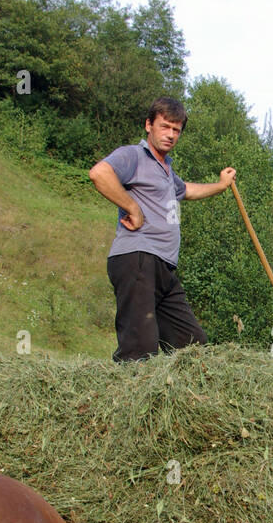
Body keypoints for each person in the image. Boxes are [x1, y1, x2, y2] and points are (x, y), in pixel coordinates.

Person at [89, 97, 236, 361]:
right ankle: (127, 397)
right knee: (139, 350)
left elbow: (187, 190)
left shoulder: (166, 170)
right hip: (137, 258)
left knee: (192, 346)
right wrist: (132, 207)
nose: (170, 135)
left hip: (164, 268)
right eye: (165, 126)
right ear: (149, 125)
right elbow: (99, 173)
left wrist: (220, 185)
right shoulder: (133, 155)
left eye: (176, 130)